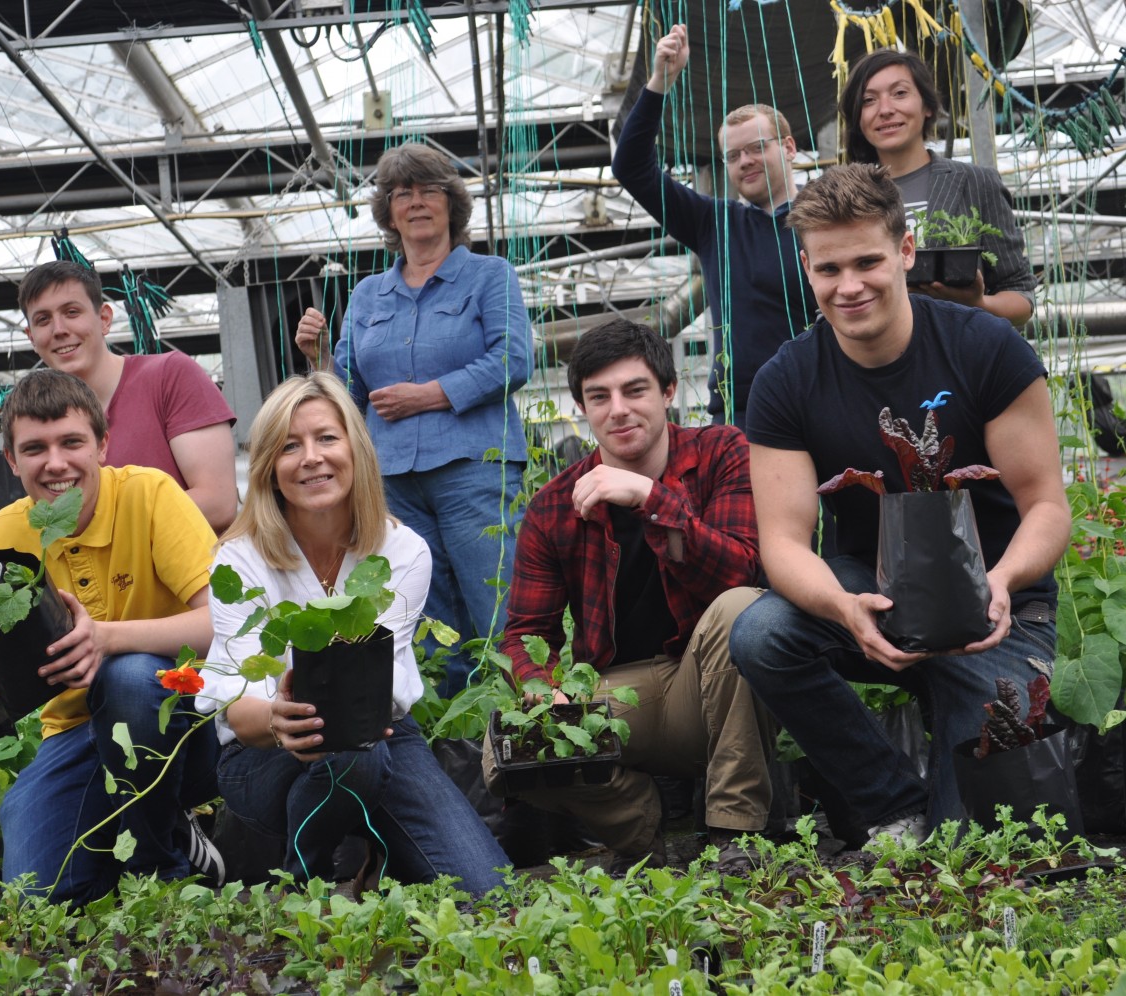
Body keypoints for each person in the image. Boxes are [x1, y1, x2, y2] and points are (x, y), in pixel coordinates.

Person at [728, 165, 1069, 841]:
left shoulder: (985, 348)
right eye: (829, 269)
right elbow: (784, 543)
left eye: (867, 262)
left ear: (905, 252)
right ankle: (891, 804)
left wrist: (1002, 581)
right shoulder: (786, 381)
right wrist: (843, 609)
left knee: (972, 843)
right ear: (807, 268)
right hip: (874, 590)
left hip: (996, 605)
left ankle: (944, 796)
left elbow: (1047, 507)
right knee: (762, 635)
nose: (849, 286)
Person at [199, 373, 510, 894]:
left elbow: (370, 692)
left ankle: (372, 847)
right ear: (269, 467)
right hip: (263, 753)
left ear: (356, 449)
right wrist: (278, 719)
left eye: (326, 437)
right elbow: (237, 704)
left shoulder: (402, 551)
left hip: (378, 737)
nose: (311, 458)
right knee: (348, 752)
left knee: (488, 891)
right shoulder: (238, 560)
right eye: (289, 446)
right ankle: (309, 886)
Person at [482, 318, 771, 874]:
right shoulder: (554, 505)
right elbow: (525, 633)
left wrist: (650, 498)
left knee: (742, 609)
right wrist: (545, 692)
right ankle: (641, 827)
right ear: (582, 408)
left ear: (668, 392)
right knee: (507, 750)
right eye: (599, 396)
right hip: (620, 694)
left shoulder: (722, 452)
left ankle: (735, 834)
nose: (618, 409)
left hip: (714, 681)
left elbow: (743, 571)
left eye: (635, 390)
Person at [0, 369, 224, 904]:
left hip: (182, 714)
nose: (55, 463)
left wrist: (106, 638)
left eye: (71, 442)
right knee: (35, 895)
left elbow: (222, 624)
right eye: (35, 449)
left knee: (129, 678)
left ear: (102, 444)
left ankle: (159, 864)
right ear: (11, 460)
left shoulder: (150, 494)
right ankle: (146, 828)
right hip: (76, 732)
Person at [295, 143, 533, 693]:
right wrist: (320, 358)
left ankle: (524, 723)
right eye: (403, 193)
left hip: (474, 470)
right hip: (392, 481)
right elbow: (350, 395)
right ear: (389, 211)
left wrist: (428, 396)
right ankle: (450, 733)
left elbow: (513, 360)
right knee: (424, 620)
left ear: (452, 204)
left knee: (498, 607)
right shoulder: (368, 295)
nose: (417, 202)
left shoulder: (489, 276)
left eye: (430, 190)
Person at [612, 22, 816, 431]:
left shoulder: (826, 218)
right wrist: (660, 83)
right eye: (733, 155)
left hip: (821, 396)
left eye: (757, 148)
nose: (745, 162)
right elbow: (630, 167)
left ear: (789, 147)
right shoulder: (715, 223)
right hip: (743, 412)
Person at [18, 260, 239, 532]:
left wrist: (106, 530)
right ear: (31, 336)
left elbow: (218, 503)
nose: (59, 329)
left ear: (104, 319)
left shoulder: (170, 376)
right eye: (43, 320)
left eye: (72, 312)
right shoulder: (35, 416)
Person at [840, 49, 1035, 327]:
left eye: (899, 93)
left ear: (928, 107)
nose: (885, 109)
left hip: (959, 348)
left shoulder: (975, 183)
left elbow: (1020, 295)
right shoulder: (844, 197)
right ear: (858, 117)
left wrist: (977, 304)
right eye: (868, 100)